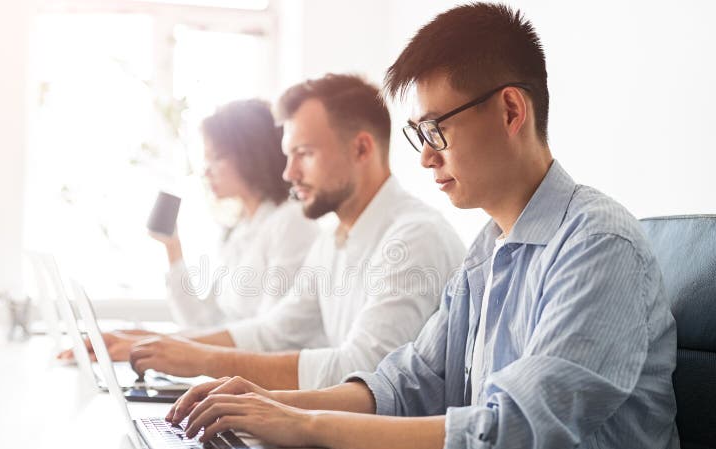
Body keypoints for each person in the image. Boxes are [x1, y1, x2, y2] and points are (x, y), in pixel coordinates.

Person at [162, 4, 683, 449]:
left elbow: (505, 435)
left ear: (509, 111)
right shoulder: (486, 253)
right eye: (419, 134)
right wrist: (268, 404)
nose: (425, 158)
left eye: (436, 130)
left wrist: (307, 423)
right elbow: (405, 384)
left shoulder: (598, 246)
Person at [126, 74, 466, 389]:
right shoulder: (332, 243)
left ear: (361, 149)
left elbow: (364, 371)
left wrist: (203, 360)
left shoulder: (415, 237)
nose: (289, 173)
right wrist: (165, 346)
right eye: (289, 155)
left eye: (304, 154)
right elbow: (274, 331)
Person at [59, 99, 318, 362]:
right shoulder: (241, 230)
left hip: (259, 378)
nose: (206, 170)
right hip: (230, 372)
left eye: (216, 157)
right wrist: (173, 250)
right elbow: (204, 324)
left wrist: (147, 344)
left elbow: (270, 338)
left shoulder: (290, 222)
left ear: (251, 155)